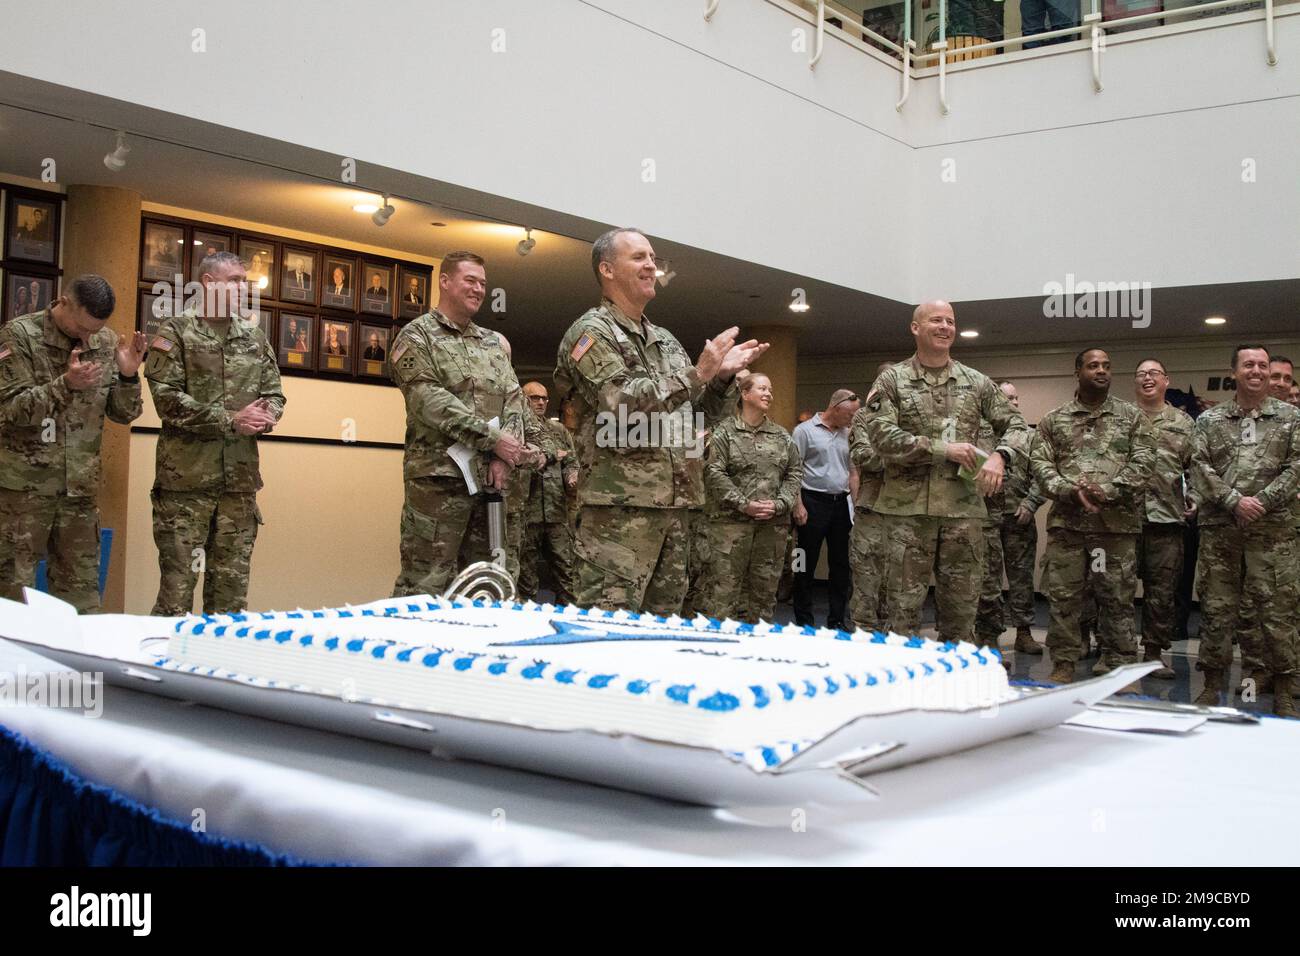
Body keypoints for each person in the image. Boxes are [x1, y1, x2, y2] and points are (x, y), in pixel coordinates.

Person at [553, 227, 764, 614]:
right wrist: (696, 375)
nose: (651, 265)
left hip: (676, 509)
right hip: (618, 513)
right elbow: (619, 404)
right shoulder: (590, 333)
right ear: (607, 269)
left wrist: (719, 381)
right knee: (608, 627)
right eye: (638, 257)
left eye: (652, 257)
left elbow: (692, 417)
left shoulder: (665, 339)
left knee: (661, 630)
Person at [865, 301, 1029, 645]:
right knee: (901, 611)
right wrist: (943, 449)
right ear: (915, 328)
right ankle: (901, 691)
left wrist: (1000, 456)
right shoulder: (892, 379)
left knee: (961, 613)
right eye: (936, 320)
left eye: (950, 321)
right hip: (906, 516)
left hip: (962, 512)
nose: (945, 327)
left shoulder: (976, 382)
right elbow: (880, 436)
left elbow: (1016, 424)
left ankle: (954, 691)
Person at [144, 251, 285, 615]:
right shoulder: (175, 332)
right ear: (208, 283)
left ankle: (219, 667)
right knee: (176, 594)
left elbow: (274, 394)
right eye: (235, 280)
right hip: (186, 487)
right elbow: (167, 400)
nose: (243, 288)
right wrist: (230, 420)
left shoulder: (253, 337)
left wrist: (264, 416)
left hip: (238, 486)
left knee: (230, 599)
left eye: (244, 281)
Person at [0, 275, 145, 611]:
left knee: (82, 600)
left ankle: (81, 665)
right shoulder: (18, 336)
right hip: (22, 494)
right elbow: (9, 410)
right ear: (63, 303)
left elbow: (124, 415)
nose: (88, 337)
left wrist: (127, 375)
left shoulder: (106, 342)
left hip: (78, 493)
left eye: (96, 330)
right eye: (82, 327)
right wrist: (64, 385)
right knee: (11, 599)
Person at [389, 251, 525, 597]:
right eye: (470, 280)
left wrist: (502, 455)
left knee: (487, 582)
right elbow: (429, 401)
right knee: (426, 583)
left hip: (490, 486)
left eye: (483, 283)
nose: (479, 289)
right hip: (439, 483)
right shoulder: (416, 337)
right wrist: (492, 440)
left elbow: (514, 398)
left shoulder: (493, 342)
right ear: (445, 281)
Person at [1031, 348, 1155, 684]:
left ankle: (1119, 666)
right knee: (1064, 599)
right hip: (1068, 529)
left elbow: (1144, 462)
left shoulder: (1131, 417)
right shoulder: (1053, 420)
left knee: (1116, 598)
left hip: (1114, 529)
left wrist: (1110, 490)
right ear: (1078, 372)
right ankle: (1064, 663)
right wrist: (1069, 490)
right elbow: (1041, 466)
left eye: (1106, 365)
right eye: (1093, 365)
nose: (1101, 371)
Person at [1190, 345, 1299, 716]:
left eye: (1263, 365)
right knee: (1218, 612)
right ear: (1233, 372)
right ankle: (1212, 686)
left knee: (1277, 614)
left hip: (1273, 534)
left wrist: (1262, 501)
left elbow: (1296, 466)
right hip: (1222, 532)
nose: (1256, 371)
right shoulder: (1210, 420)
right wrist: (1233, 500)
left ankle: (1283, 692)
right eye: (1248, 365)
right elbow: (1199, 466)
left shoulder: (1291, 418)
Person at [702, 373, 802, 623]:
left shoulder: (781, 436)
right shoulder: (724, 432)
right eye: (761, 388)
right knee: (723, 595)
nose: (769, 393)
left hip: (772, 528)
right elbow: (713, 471)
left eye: (770, 389)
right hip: (730, 527)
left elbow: (794, 472)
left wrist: (782, 503)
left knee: (764, 596)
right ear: (744, 394)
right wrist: (743, 504)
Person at [1132, 358, 1197, 680]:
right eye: (1141, 374)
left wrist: (1195, 498)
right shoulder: (1121, 418)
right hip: (1123, 522)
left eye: (1153, 373)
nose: (1147, 378)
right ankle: (1115, 652)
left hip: (1167, 521)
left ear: (1166, 380)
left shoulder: (1183, 422)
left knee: (1162, 593)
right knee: (1113, 590)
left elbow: (1196, 468)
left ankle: (1154, 654)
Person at [974, 379, 1044, 661]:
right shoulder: (978, 435)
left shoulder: (1028, 436)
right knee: (987, 580)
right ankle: (989, 635)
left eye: (1016, 398)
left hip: (1019, 517)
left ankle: (1024, 632)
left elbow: (1043, 473)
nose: (1014, 403)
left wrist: (1031, 502)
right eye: (1007, 399)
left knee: (1022, 579)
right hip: (985, 517)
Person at [790, 390, 858, 629]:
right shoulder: (804, 431)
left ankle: (837, 620)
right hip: (811, 503)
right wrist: (797, 504)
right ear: (836, 407)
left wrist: (856, 507)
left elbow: (853, 472)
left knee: (841, 566)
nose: (852, 419)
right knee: (804, 565)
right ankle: (804, 622)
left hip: (840, 504)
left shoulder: (848, 434)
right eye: (850, 414)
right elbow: (793, 471)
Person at [518, 381, 578, 604]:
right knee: (525, 578)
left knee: (567, 573)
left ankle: (569, 624)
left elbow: (571, 461)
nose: (541, 402)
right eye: (535, 398)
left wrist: (571, 477)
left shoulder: (558, 430)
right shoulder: (516, 427)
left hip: (556, 513)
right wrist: (552, 454)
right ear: (523, 400)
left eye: (544, 398)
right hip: (526, 513)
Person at [847, 363, 893, 634]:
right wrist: (906, 457)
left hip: (906, 510)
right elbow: (862, 455)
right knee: (866, 580)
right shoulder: (863, 417)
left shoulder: (913, 419)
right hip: (872, 508)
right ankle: (864, 635)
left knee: (900, 582)